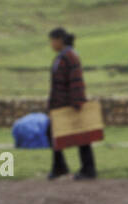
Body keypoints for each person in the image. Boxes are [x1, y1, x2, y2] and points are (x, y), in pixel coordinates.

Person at [47, 27, 96, 180]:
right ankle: (60, 167)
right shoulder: (62, 57)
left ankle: (87, 169)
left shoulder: (69, 57)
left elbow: (75, 81)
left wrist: (77, 104)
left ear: (59, 40)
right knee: (54, 134)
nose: (51, 44)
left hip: (69, 104)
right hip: (60, 104)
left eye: (52, 41)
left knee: (81, 136)